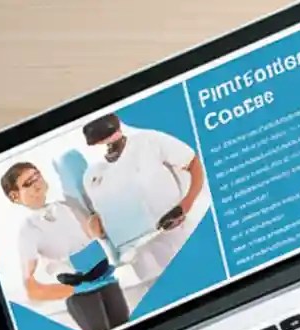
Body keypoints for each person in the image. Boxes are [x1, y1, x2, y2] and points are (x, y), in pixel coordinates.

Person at [1, 162, 130, 330]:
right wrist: (73, 290)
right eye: (28, 183)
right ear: (15, 196)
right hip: (79, 289)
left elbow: (95, 233)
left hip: (105, 275)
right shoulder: (28, 230)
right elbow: (30, 286)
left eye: (37, 176)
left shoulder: (66, 207)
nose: (37, 183)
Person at [80, 113, 207, 286]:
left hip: (177, 236)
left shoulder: (148, 141)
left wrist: (186, 205)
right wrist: (97, 230)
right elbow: (102, 221)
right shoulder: (92, 175)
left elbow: (193, 163)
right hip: (138, 258)